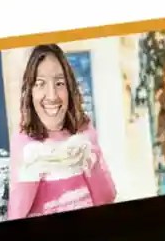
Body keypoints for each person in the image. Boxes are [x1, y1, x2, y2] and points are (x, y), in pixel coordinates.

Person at [8, 44, 116, 219]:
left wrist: (91, 162)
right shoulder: (23, 141)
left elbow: (108, 198)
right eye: (40, 83)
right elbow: (15, 217)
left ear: (69, 88)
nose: (52, 96)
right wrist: (30, 173)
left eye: (59, 83)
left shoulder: (84, 130)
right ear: (30, 92)